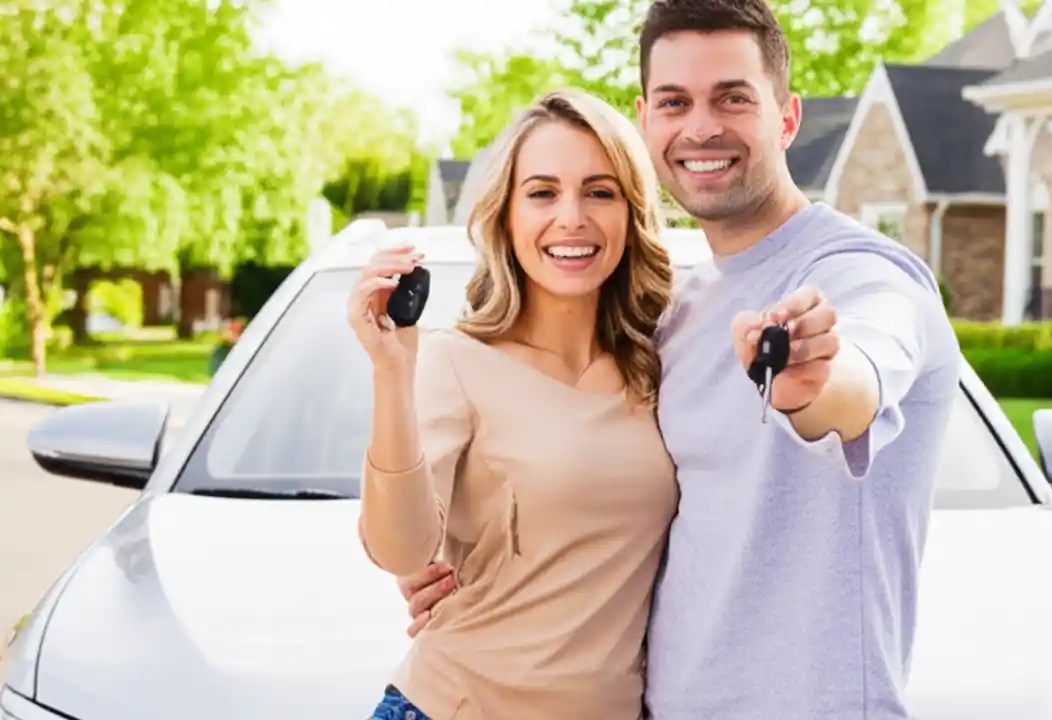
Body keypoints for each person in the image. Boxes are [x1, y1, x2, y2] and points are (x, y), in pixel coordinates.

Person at [400, 1, 963, 717]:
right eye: (675, 102)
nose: (701, 127)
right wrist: (472, 561)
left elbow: (857, 380)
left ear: (787, 117)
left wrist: (809, 382)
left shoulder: (866, 275)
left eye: (733, 98)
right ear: (646, 121)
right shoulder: (673, 318)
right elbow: (607, 496)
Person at [347, 88, 680, 719]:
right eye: (543, 192)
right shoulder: (456, 361)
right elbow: (401, 550)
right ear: (505, 216)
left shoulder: (661, 366)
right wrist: (392, 373)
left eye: (600, 191)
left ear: (631, 213)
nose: (572, 217)